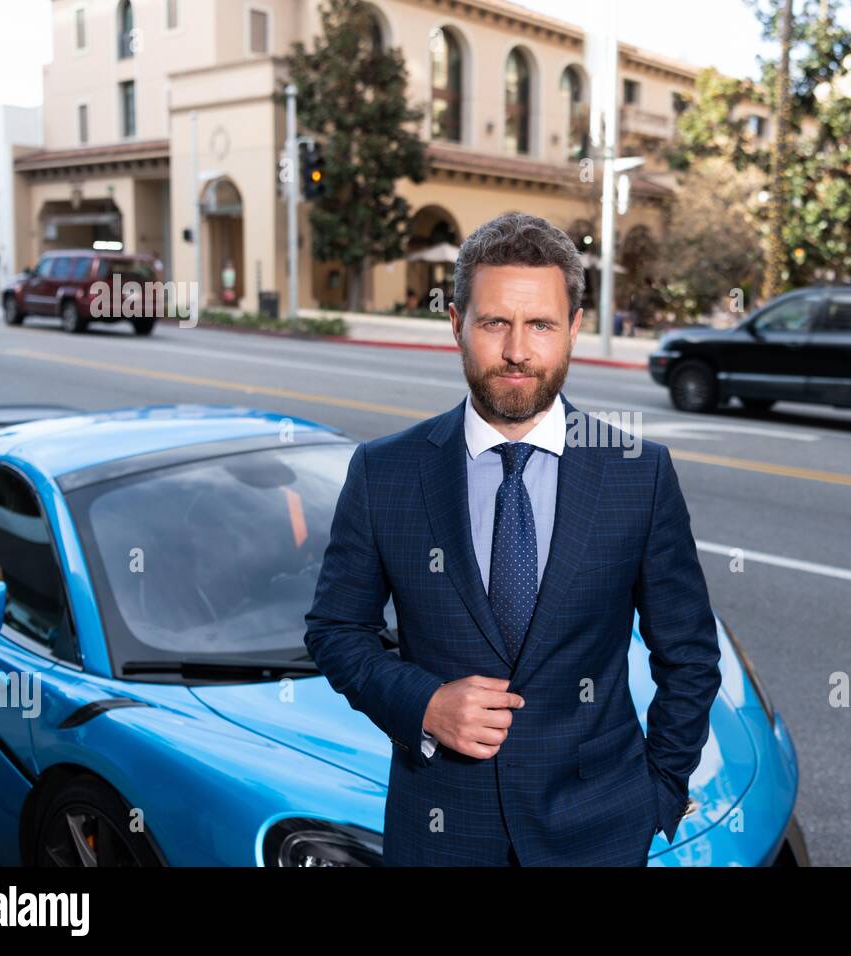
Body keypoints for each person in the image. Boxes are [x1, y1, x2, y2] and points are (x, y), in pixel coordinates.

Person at [304, 212, 721, 867]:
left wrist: (659, 794)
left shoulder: (639, 475)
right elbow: (334, 631)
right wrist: (425, 704)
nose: (518, 352)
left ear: (575, 329)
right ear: (456, 324)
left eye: (541, 325)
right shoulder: (384, 473)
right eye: (495, 322)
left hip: (599, 836)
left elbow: (691, 657)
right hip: (442, 834)